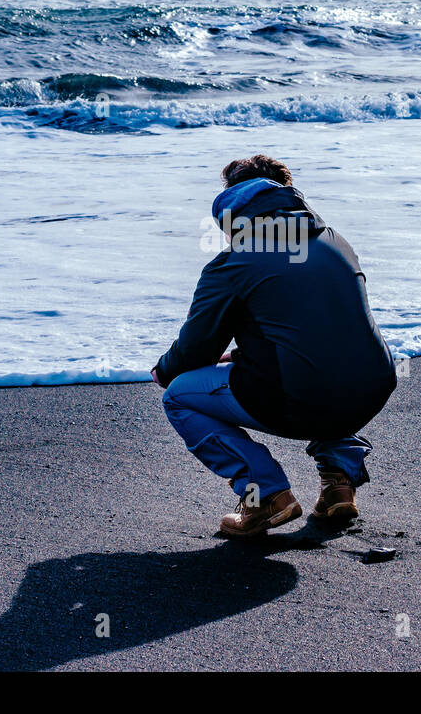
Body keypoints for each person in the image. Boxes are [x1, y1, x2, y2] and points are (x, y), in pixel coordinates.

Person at [152, 155, 396, 536]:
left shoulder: (234, 262)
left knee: (179, 396)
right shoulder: (335, 242)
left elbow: (195, 351)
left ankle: (264, 495)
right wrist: (250, 354)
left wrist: (165, 370)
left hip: (306, 399)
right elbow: (315, 331)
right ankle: (339, 484)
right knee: (325, 364)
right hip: (372, 390)